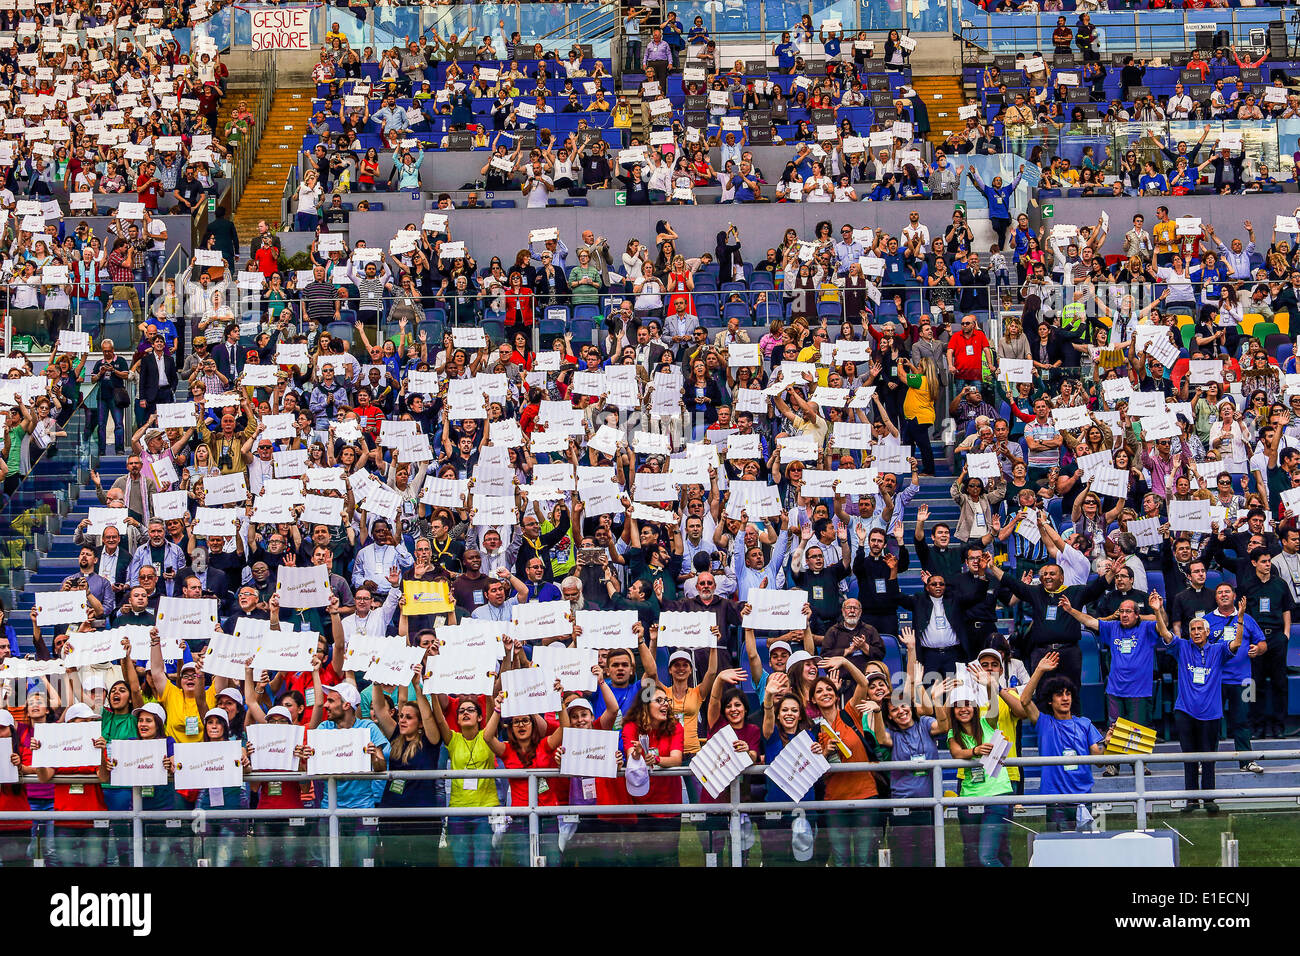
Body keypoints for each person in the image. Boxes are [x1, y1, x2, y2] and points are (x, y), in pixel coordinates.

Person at [1017, 652, 1111, 830]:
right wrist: (1039, 670)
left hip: (1084, 798)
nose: (1065, 698)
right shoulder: (1044, 722)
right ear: (1050, 701)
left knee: (1088, 849)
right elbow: (1024, 700)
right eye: (1059, 694)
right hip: (1056, 800)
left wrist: (1106, 743)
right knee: (1058, 850)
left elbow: (1098, 762)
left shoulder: (1085, 723)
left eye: (1068, 694)